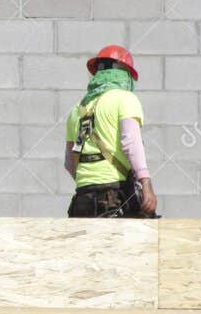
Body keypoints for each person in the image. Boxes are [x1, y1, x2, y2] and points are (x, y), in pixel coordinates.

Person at [64, 44, 157, 217]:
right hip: (114, 197)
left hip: (81, 200)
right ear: (125, 74)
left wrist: (90, 181)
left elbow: (70, 163)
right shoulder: (125, 99)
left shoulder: (77, 109)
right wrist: (146, 183)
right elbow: (131, 143)